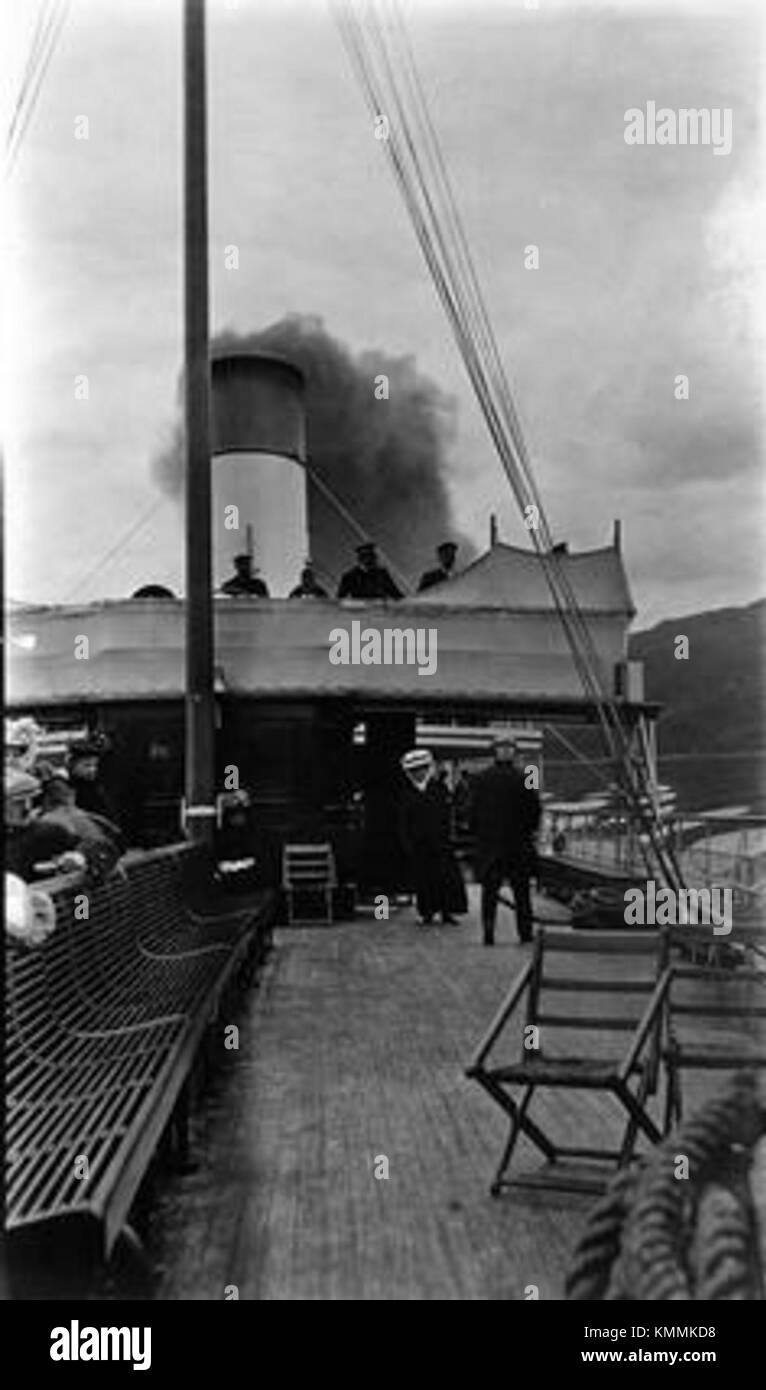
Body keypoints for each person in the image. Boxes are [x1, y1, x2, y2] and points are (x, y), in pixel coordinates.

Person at [470, 734, 541, 945]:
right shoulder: (527, 777)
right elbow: (534, 810)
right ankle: (525, 933)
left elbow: (473, 813)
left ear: (495, 752)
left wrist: (481, 836)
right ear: (514, 752)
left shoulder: (481, 778)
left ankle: (489, 933)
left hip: (491, 846)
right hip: (518, 845)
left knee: (489, 892)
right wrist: (529, 832)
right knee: (522, 893)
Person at [398, 748, 467, 926]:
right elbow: (403, 822)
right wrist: (408, 844)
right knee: (423, 880)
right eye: (414, 770)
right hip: (419, 845)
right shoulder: (406, 793)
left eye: (421, 769)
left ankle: (446, 912)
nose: (418, 773)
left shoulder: (439, 789)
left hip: (441, 843)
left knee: (445, 879)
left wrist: (450, 839)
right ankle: (427, 912)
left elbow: (447, 817)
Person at [67, 739, 120, 825]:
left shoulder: (98, 787)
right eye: (87, 765)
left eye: (95, 765)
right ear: (72, 766)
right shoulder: (69, 790)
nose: (93, 770)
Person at [337, 542, 402, 600]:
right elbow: (339, 600)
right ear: (360, 560)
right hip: (361, 612)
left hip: (380, 611)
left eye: (373, 558)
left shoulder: (382, 574)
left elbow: (396, 594)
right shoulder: (350, 576)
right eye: (368, 559)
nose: (374, 562)